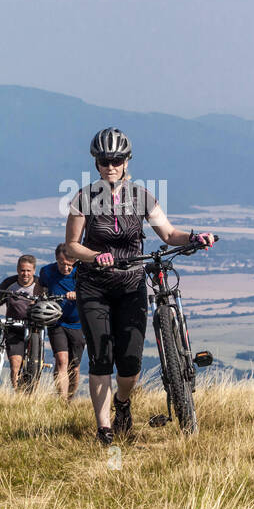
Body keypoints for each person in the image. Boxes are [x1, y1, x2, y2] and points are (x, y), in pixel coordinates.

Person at [64, 127, 216, 444]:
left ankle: (122, 402)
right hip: (94, 286)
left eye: (116, 160)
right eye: (104, 160)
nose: (110, 166)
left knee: (130, 364)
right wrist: (95, 256)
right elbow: (71, 247)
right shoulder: (84, 198)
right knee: (102, 358)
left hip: (131, 284)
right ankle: (104, 428)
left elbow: (169, 234)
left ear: (126, 161)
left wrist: (194, 238)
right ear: (96, 163)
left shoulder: (141, 197)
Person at [0, 255, 37, 389]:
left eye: (29, 271)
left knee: (34, 364)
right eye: (23, 270)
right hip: (13, 327)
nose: (25, 274)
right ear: (18, 269)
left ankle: (33, 394)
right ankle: (17, 392)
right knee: (15, 363)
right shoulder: (9, 284)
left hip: (34, 328)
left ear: (34, 270)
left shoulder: (39, 285)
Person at [35, 244, 81, 398]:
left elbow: (92, 292)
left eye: (70, 264)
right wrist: (39, 301)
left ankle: (69, 398)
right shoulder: (47, 271)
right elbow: (40, 287)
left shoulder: (81, 272)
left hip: (78, 323)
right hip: (57, 321)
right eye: (62, 263)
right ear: (56, 259)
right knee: (61, 360)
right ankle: (61, 400)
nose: (66, 268)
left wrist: (78, 293)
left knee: (74, 367)